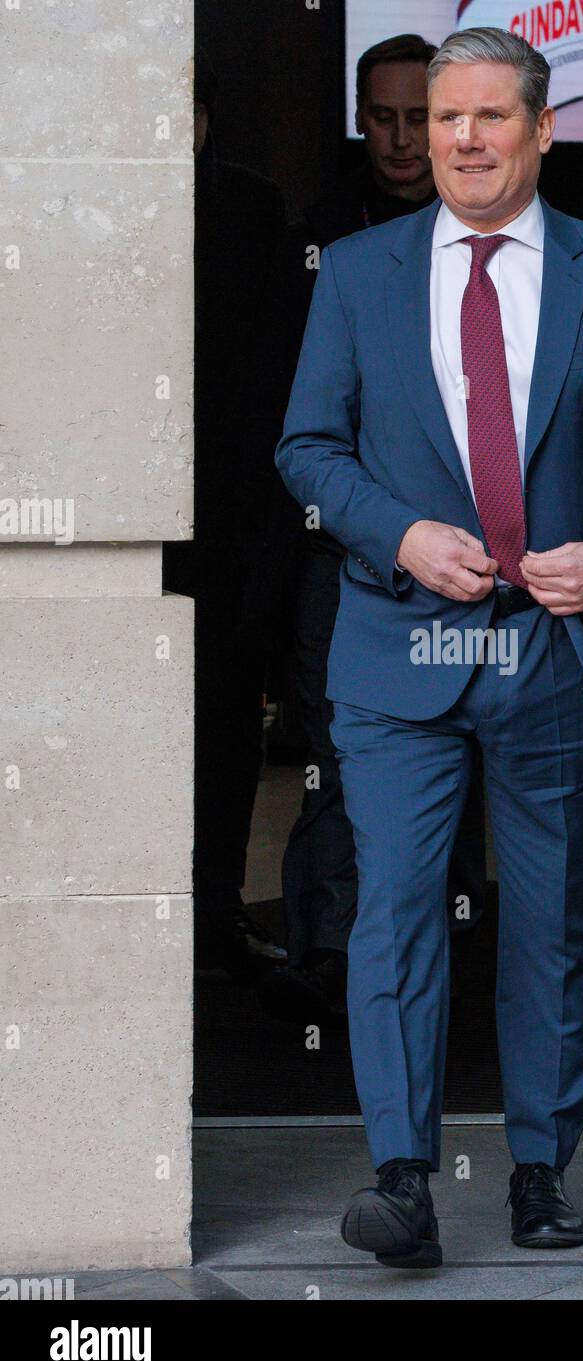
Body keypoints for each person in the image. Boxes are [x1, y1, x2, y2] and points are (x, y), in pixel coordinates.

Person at [275, 26, 583, 1267]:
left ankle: (538, 1170)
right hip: (396, 649)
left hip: (551, 655)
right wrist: (401, 533)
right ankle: (402, 1180)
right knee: (397, 910)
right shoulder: (356, 272)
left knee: (550, 921)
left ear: (541, 129)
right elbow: (308, 447)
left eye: (487, 118)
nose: (459, 139)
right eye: (440, 118)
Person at [260, 35, 486, 1022]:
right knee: (338, 760)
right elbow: (289, 424)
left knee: (471, 755)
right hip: (337, 547)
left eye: (418, 116)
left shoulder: (497, 237)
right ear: (361, 118)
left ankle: (449, 960)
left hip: (477, 554)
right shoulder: (316, 240)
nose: (400, 139)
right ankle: (330, 959)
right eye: (383, 118)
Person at [164, 49, 289, 982]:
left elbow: (271, 377)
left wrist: (263, 529)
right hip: (105, 522)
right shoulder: (71, 205)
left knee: (221, 730)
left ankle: (213, 915)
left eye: (189, 111)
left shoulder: (249, 210)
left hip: (225, 518)